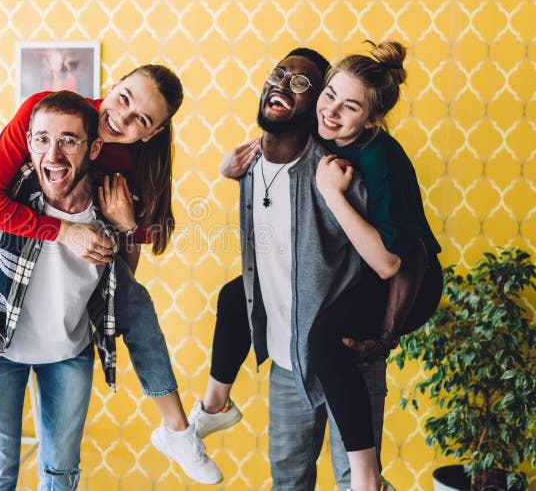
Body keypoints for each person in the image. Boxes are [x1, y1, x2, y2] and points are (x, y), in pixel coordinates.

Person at [0, 66, 223, 488]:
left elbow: (133, 262)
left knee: (136, 303)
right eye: (124, 98)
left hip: (68, 346)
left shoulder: (127, 173)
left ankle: (177, 430)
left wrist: (125, 227)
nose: (122, 118)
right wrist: (63, 231)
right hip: (3, 334)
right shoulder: (42, 123)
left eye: (141, 120)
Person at [188, 48, 390, 491]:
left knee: (355, 482)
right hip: (285, 364)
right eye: (279, 74)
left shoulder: (335, 174)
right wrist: (229, 171)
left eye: (301, 83)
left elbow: (384, 263)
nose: (282, 84)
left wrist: (380, 336)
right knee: (288, 482)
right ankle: (215, 404)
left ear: (316, 103)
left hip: (347, 362)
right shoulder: (249, 165)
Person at [0, 91, 119, 489]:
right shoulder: (3, 198)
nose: (53, 154)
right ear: (28, 143)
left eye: (68, 141)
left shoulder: (109, 204)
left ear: (94, 148)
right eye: (42, 139)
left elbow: (124, 284)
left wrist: (125, 228)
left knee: (61, 472)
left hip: (69, 353)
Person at [308, 40, 443, 491]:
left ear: (372, 119)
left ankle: (366, 479)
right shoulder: (325, 129)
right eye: (329, 95)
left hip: (410, 285)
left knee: (324, 338)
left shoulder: (381, 157)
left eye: (349, 107)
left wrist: (332, 193)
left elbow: (389, 262)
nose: (331, 111)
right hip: (372, 275)